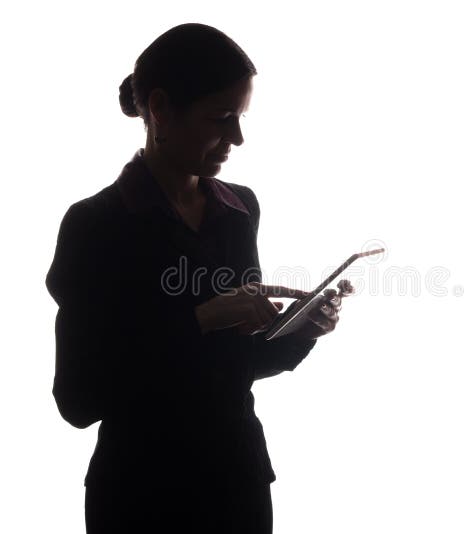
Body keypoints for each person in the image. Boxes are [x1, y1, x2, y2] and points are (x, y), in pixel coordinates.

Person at [45, 23, 349, 533]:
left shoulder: (239, 209)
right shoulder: (96, 225)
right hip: (140, 496)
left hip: (239, 484)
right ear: (160, 109)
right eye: (222, 118)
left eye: (241, 117)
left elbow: (235, 365)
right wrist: (204, 317)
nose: (237, 138)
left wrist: (301, 329)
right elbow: (78, 399)